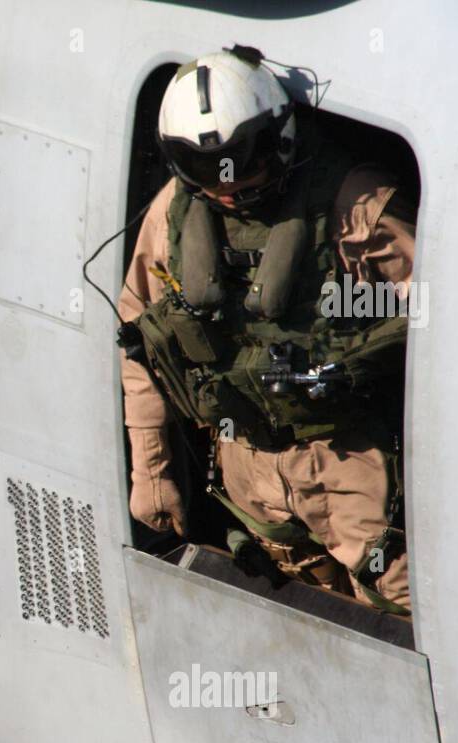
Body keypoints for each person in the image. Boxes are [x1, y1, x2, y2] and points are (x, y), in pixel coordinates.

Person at [116, 46, 415, 614]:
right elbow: (140, 341)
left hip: (350, 465)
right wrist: (152, 470)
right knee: (297, 617)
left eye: (240, 163)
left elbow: (452, 328)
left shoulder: (359, 208)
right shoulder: (174, 217)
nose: (225, 188)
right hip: (246, 473)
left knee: (396, 606)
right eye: (204, 172)